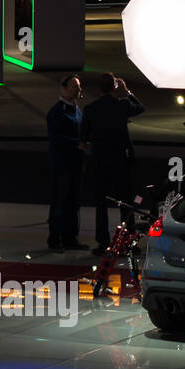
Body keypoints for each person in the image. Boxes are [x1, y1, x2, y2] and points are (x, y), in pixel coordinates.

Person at [80, 72, 144, 252]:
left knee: (101, 203)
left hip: (100, 161)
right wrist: (127, 92)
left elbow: (83, 138)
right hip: (121, 160)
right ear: (115, 87)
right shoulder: (122, 105)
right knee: (126, 202)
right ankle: (128, 240)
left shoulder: (91, 109)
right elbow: (140, 107)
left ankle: (103, 242)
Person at [46, 74, 86, 250]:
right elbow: (55, 139)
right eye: (74, 87)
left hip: (74, 164)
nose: (78, 90)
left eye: (78, 87)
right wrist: (78, 144)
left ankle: (70, 238)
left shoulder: (77, 110)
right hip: (62, 165)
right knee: (60, 202)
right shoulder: (57, 112)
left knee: (72, 202)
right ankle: (55, 239)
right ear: (63, 89)